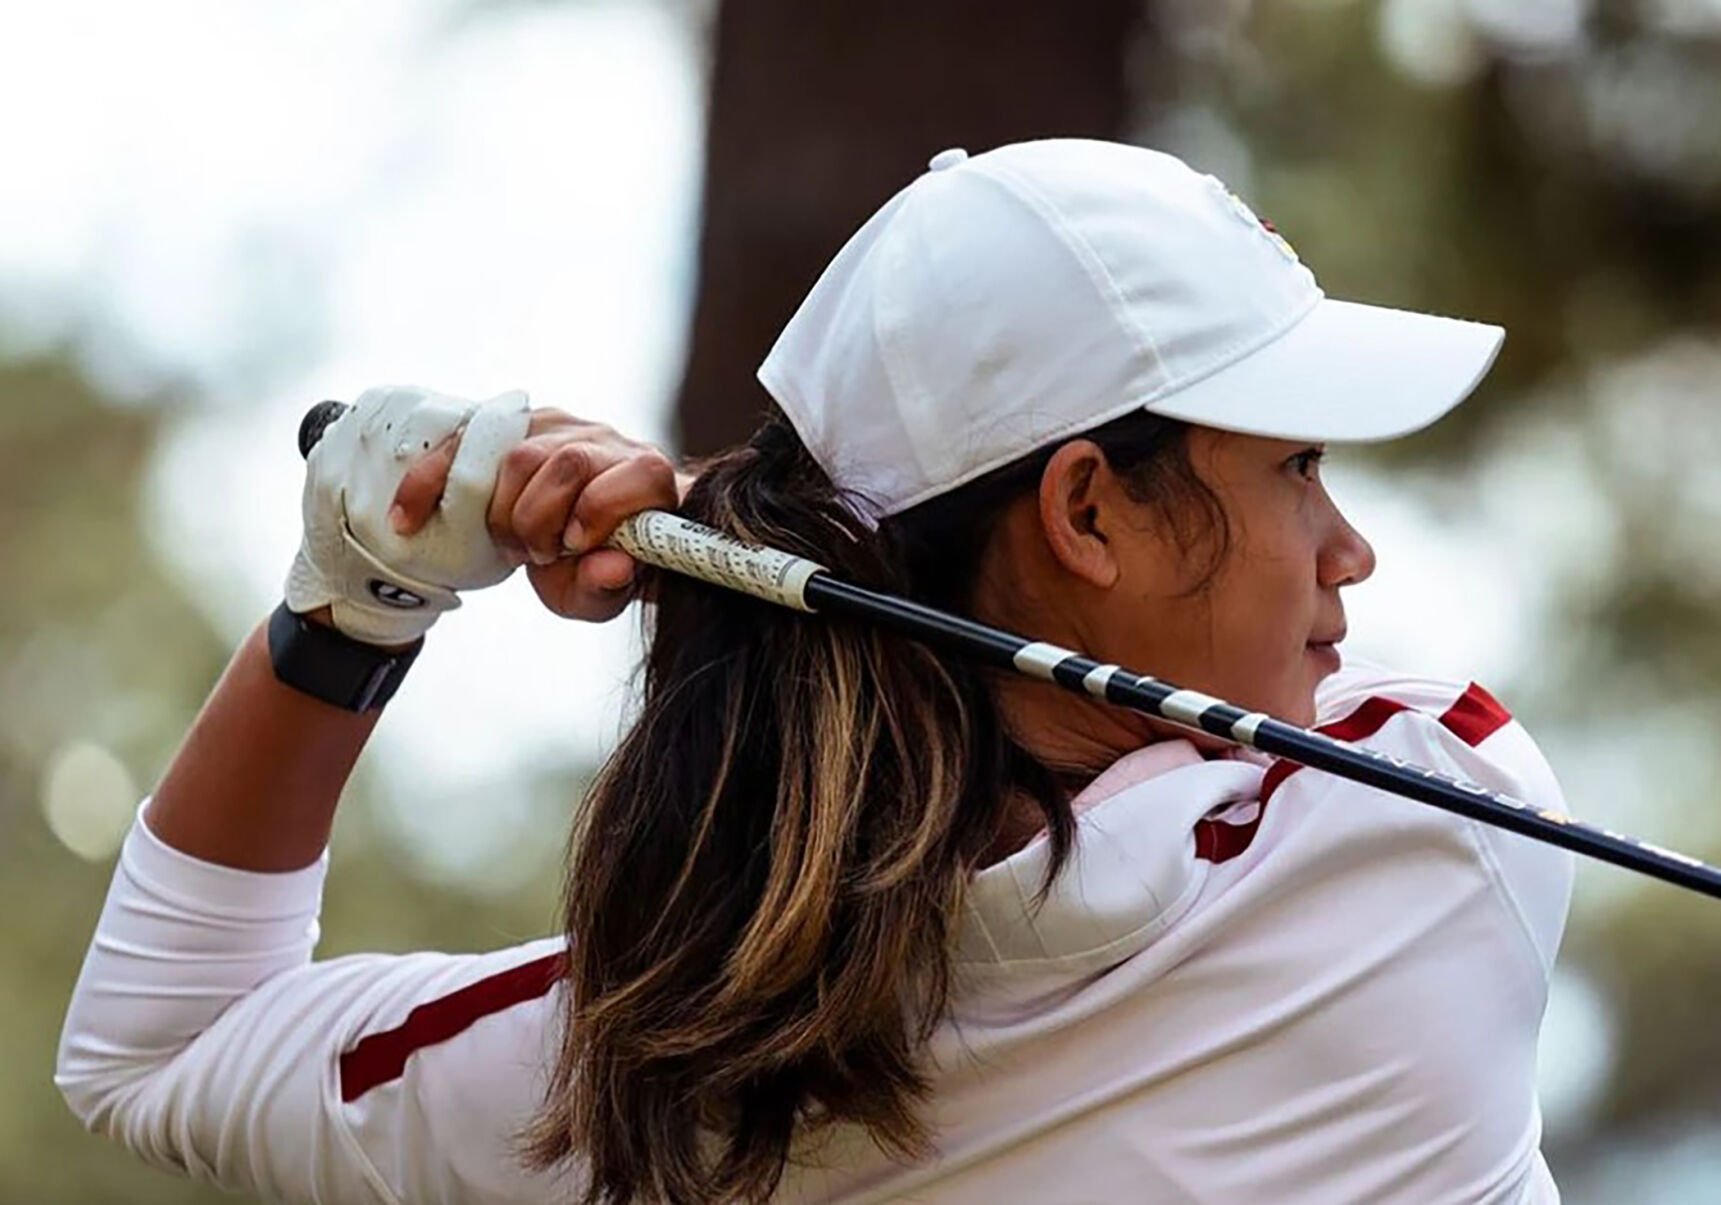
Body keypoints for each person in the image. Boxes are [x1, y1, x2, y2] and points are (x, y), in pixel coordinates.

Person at [56, 140, 1572, 1204]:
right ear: (1086, 512)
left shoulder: (650, 1063)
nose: (1345, 548)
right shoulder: (1433, 822)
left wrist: (357, 598)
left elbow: (157, 1044)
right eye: (1296, 464)